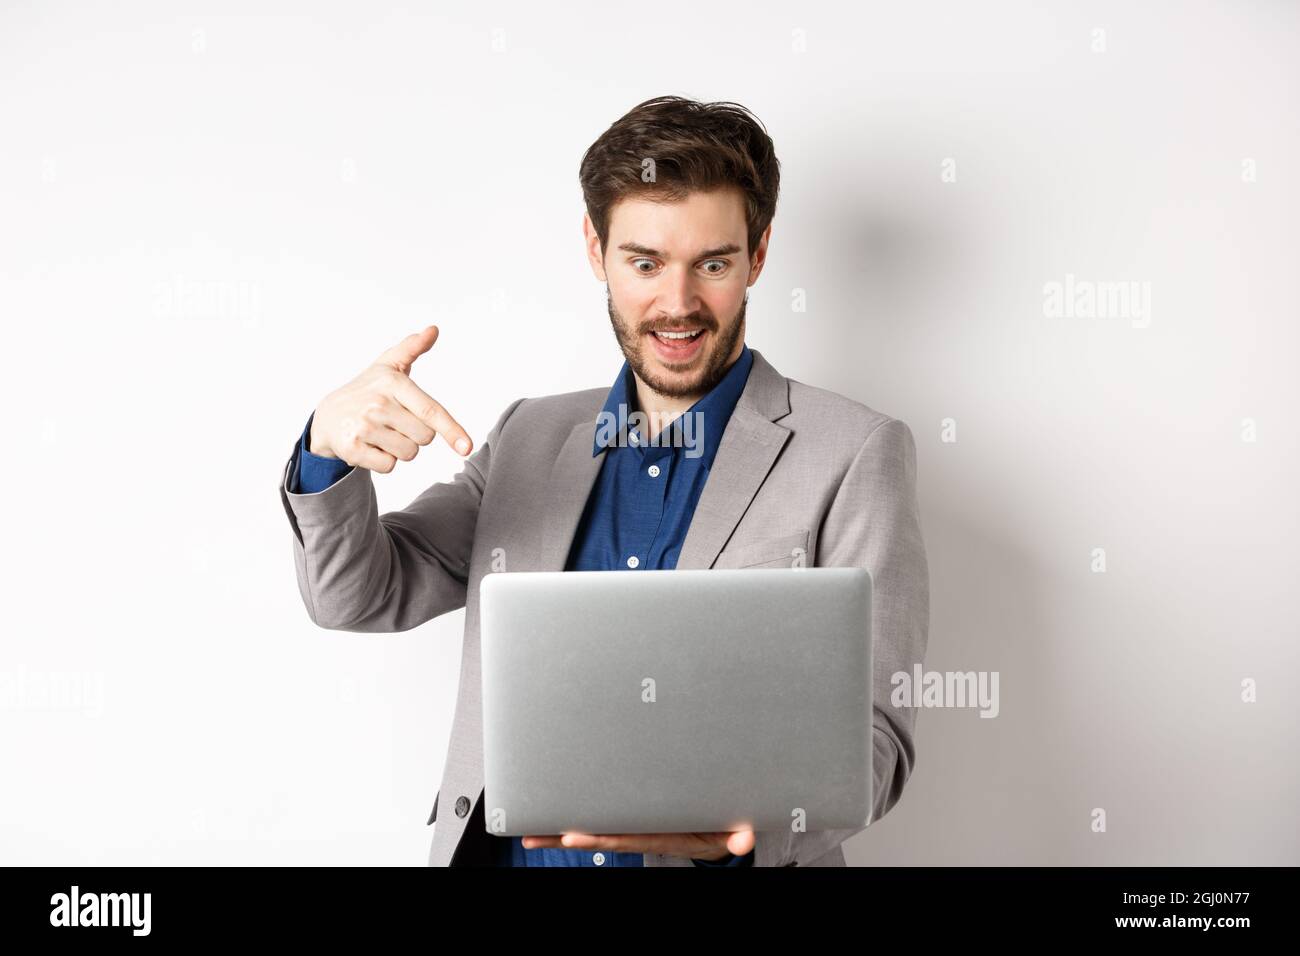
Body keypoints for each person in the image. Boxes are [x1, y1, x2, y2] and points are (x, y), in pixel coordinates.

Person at [277, 95, 930, 867]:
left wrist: (729, 836)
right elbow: (358, 594)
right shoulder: (528, 438)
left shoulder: (855, 452)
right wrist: (328, 450)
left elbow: (876, 746)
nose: (678, 304)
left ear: (757, 256)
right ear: (597, 250)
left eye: (713, 264)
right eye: (645, 263)